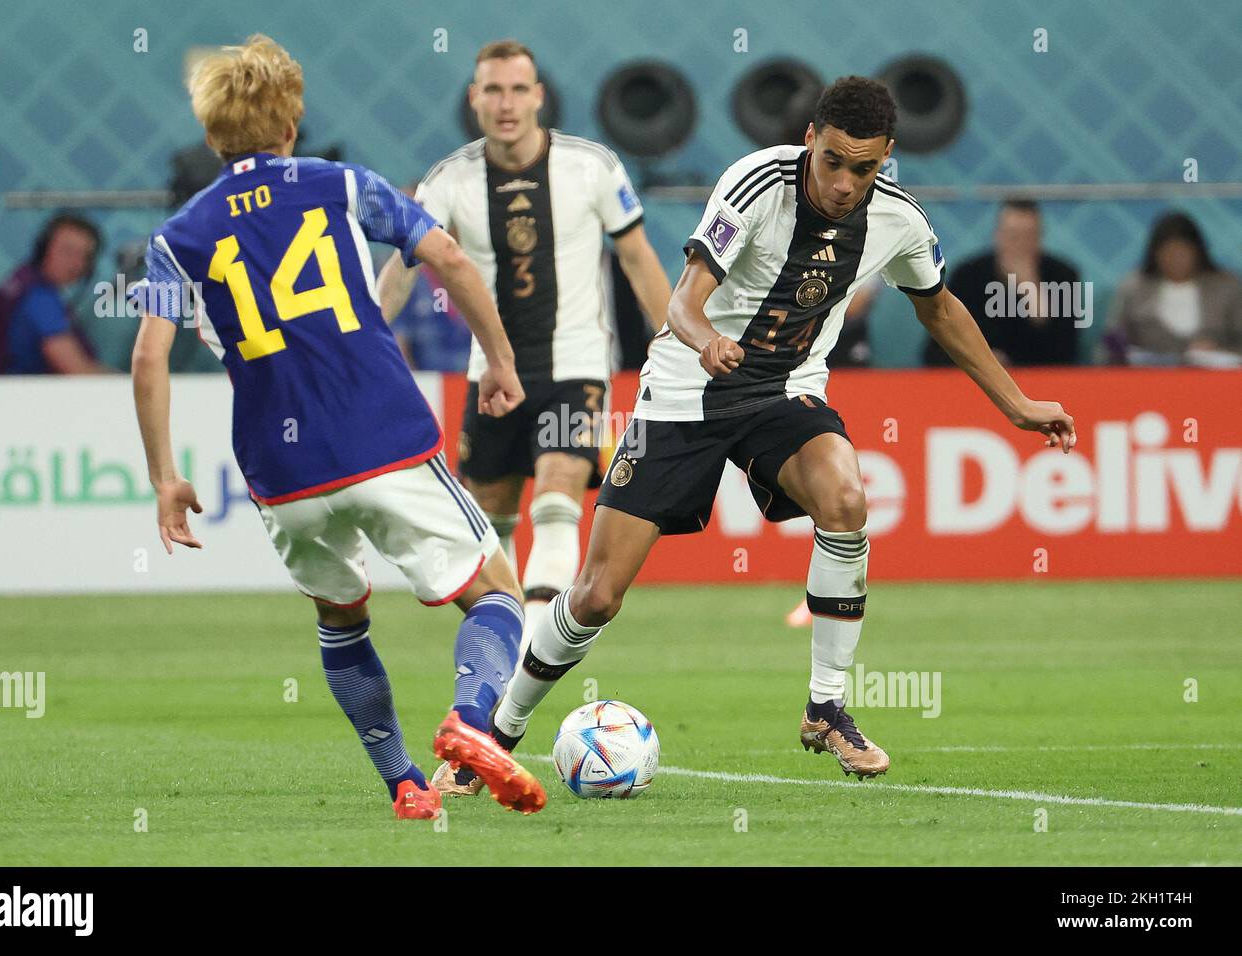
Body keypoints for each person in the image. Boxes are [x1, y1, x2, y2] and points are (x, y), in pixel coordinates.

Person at [491, 76, 1077, 780]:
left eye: (863, 168)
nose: (843, 183)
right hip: (686, 390)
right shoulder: (755, 184)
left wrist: (1016, 404)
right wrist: (706, 339)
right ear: (810, 141)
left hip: (784, 390)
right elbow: (683, 301)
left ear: (886, 157)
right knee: (595, 597)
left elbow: (940, 309)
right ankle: (496, 736)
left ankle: (826, 708)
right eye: (832, 161)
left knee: (847, 501)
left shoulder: (898, 220)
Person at [130, 34, 546, 820]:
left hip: (282, 477)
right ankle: (469, 718)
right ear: (292, 124)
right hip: (382, 436)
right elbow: (449, 257)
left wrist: (164, 478)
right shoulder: (342, 185)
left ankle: (404, 784)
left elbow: (149, 359)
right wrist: (498, 361)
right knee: (496, 594)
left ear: (214, 136)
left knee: (340, 617)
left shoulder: (177, 238)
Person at [375, 39, 674, 797]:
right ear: (475, 100)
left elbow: (638, 258)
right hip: (493, 379)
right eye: (491, 91)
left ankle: (504, 712)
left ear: (539, 94)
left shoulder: (592, 167)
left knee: (557, 495)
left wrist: (679, 341)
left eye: (516, 89)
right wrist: (367, 352)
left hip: (577, 368)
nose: (505, 103)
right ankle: (494, 706)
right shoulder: (449, 180)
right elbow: (404, 269)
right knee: (487, 548)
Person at [923, 199, 1081, 367]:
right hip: (977, 377)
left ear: (1040, 237)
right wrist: (981, 360)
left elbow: (1066, 354)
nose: (1020, 245)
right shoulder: (968, 275)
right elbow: (937, 349)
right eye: (1013, 235)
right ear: (998, 235)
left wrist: (1030, 288)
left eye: (1028, 236)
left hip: (1040, 379)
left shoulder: (1063, 276)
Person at [0, 213, 112, 374]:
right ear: (44, 250)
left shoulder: (20, 282)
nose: (76, 263)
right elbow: (76, 369)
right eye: (68, 251)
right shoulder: (40, 299)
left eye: (84, 256)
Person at [1102, 211, 1242, 365]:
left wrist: (1219, 350)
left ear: (1198, 252)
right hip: (1148, 380)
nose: (1176, 260)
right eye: (1168, 253)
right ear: (1155, 254)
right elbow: (1111, 344)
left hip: (1217, 380)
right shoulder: (1134, 287)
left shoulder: (1228, 287)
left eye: (1183, 252)